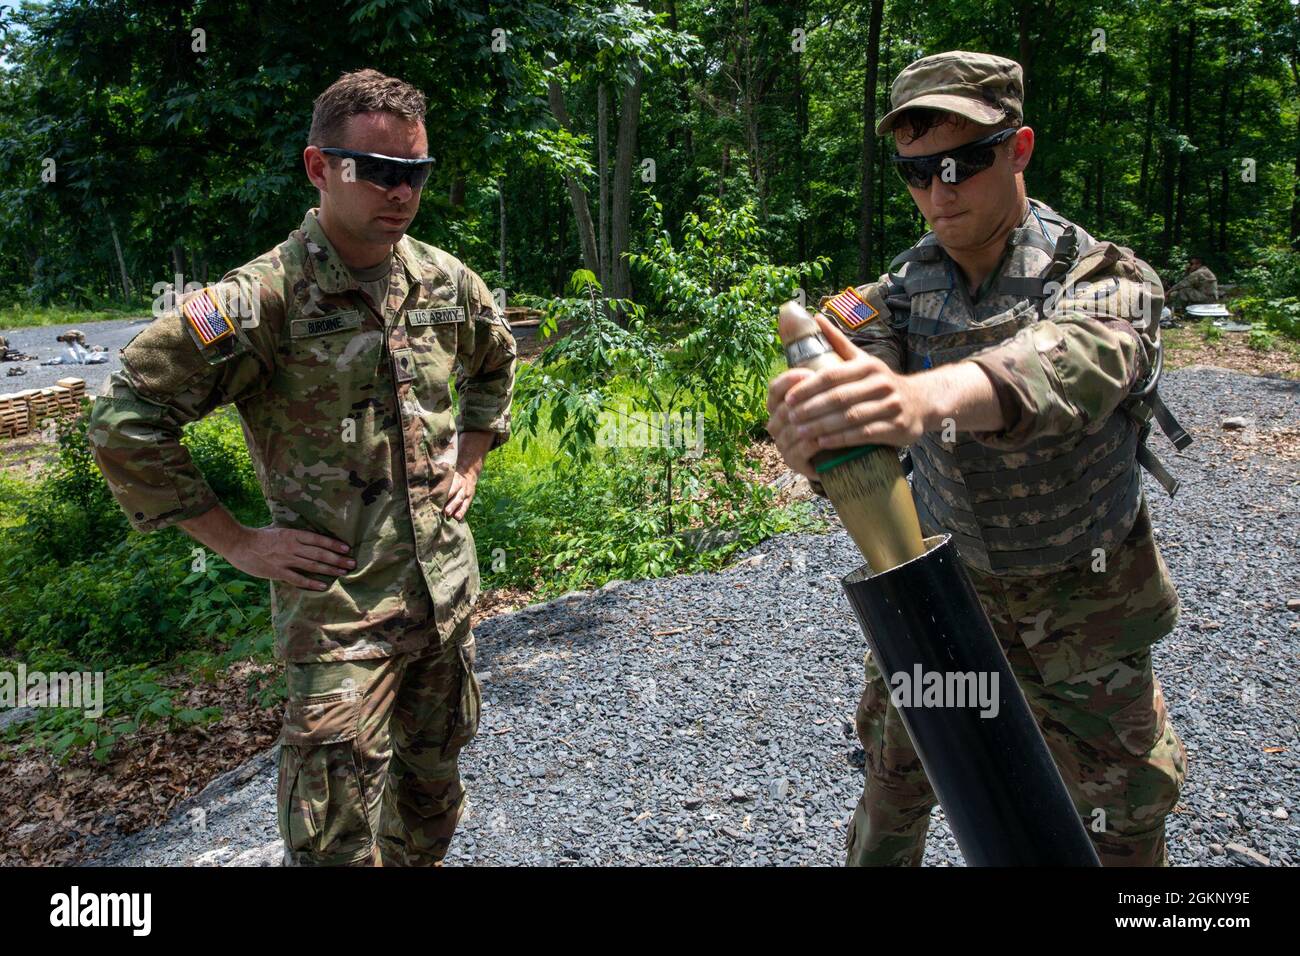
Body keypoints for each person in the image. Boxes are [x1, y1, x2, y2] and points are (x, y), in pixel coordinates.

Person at [766, 51, 1188, 866]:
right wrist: (821, 430)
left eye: (963, 162)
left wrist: (930, 398)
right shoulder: (895, 292)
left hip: (1082, 607)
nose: (939, 191)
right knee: (895, 789)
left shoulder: (1101, 273)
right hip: (942, 597)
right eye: (916, 171)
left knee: (1124, 812)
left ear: (1019, 148)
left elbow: (1080, 360)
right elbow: (857, 379)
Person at [87, 69, 516, 867]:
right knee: (332, 841)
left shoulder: (443, 279)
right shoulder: (259, 301)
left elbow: (496, 362)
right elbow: (126, 418)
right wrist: (237, 542)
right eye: (379, 171)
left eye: (416, 173)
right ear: (320, 168)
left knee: (432, 804)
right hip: (340, 615)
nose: (402, 193)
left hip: (442, 599)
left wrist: (472, 460)